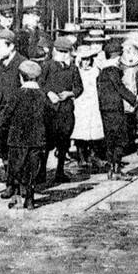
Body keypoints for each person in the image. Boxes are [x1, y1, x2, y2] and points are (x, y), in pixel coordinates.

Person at [1, 59, 48, 209]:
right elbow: (49, 115)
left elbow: (6, 115)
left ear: (21, 77)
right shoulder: (42, 96)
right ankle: (30, 198)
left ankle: (17, 199)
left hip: (18, 139)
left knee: (17, 167)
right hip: (37, 139)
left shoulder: (17, 94)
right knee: (32, 168)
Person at [40, 33, 84, 182]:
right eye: (60, 52)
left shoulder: (73, 69)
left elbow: (79, 88)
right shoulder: (47, 66)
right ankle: (42, 171)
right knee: (46, 143)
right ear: (54, 51)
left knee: (64, 142)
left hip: (66, 110)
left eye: (66, 52)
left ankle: (60, 171)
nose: (63, 55)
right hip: (50, 110)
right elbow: (40, 84)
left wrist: (70, 93)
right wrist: (49, 92)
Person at [0, 27, 26, 195]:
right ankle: (10, 183)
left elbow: (26, 91)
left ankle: (19, 184)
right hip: (2, 113)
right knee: (3, 149)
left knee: (17, 150)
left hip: (18, 113)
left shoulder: (22, 64)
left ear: (11, 47)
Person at [96, 43, 138, 179]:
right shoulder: (112, 71)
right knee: (120, 139)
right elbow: (120, 88)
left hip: (105, 109)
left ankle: (111, 170)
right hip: (115, 110)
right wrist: (134, 99)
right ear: (117, 57)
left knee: (110, 139)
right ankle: (117, 170)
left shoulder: (102, 72)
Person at [72, 42, 104, 169]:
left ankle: (93, 154)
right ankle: (81, 156)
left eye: (88, 59)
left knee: (93, 129)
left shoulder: (95, 71)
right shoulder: (76, 71)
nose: (86, 62)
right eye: (83, 59)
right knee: (80, 129)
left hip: (93, 102)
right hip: (80, 103)